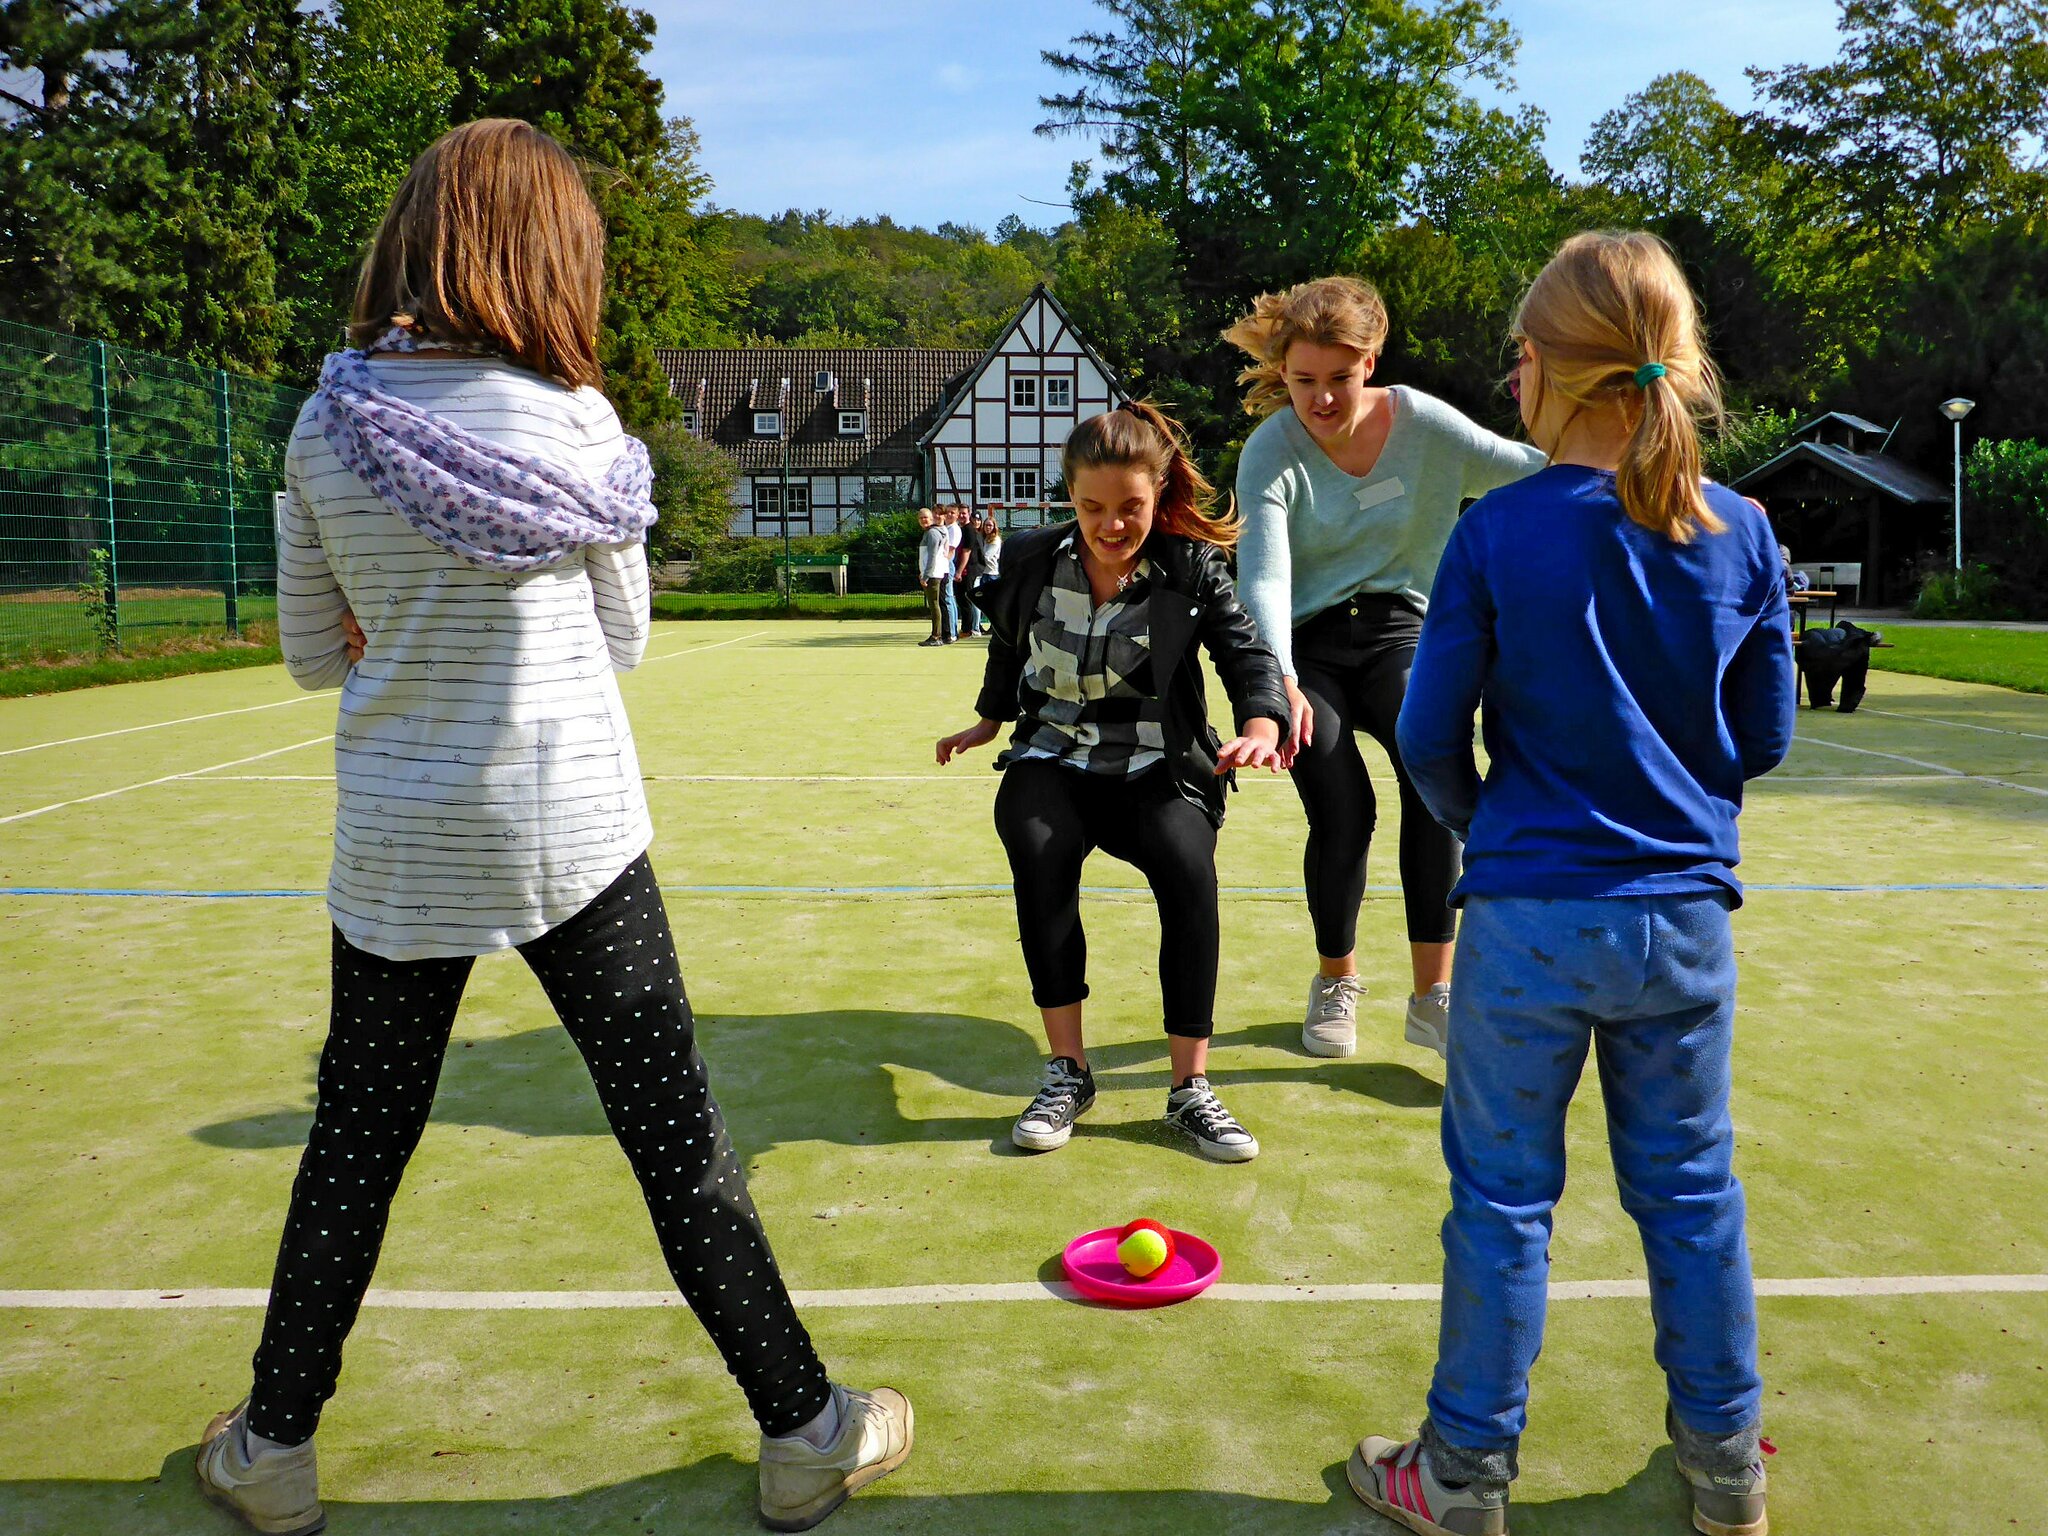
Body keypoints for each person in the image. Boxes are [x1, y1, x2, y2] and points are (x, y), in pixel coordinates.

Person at [197, 120, 911, 1536]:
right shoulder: (586, 430)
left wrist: (391, 612)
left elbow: (307, 656)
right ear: (552, 253)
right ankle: (804, 1431)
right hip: (576, 830)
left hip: (403, 842)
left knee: (357, 1138)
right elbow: (625, 638)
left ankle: (273, 1448)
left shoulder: (328, 423)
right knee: (676, 1138)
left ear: (415, 234)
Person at [1344, 230, 1793, 1536]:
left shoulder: (1496, 533)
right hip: (1682, 926)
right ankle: (1728, 1478)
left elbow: (1429, 739)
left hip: (1529, 923)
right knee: (1694, 1201)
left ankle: (1463, 1481)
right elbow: (1762, 736)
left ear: (1537, 370)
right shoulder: (1744, 533)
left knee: (1500, 1203)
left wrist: (1492, 832)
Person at [935, 401, 1290, 1161]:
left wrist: (1261, 722)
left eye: (1130, 507)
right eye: (1092, 506)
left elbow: (1246, 653)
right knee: (1036, 844)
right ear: (1069, 497)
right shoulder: (1032, 557)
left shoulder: (1190, 566)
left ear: (1158, 495)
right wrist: (990, 721)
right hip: (1053, 755)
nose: (1111, 524)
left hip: (1155, 763)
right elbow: (1008, 643)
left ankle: (1190, 1088)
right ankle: (1068, 1071)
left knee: (1188, 870)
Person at [1226, 277, 1546, 1063]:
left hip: (1405, 630)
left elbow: (1535, 469)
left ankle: (1433, 998)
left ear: (1370, 362)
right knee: (1342, 805)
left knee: (1432, 774)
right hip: (1307, 648)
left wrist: (1660, 477)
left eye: (1339, 378)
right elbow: (1262, 576)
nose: (1322, 399)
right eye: (1304, 381)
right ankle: (1337, 980)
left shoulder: (1427, 425)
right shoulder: (1270, 449)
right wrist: (1282, 680)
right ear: (1284, 375)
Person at [916, 506, 954, 646]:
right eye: (921, 518)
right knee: (937, 604)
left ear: (931, 518)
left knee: (934, 605)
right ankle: (943, 635)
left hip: (933, 574)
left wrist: (925, 576)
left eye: (926, 517)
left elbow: (932, 556)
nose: (923, 520)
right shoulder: (935, 532)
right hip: (936, 572)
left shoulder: (932, 533)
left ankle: (936, 636)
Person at [956, 508, 991, 637]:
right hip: (973, 570)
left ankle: (973, 628)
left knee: (970, 599)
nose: (976, 521)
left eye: (978, 519)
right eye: (974, 519)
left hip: (973, 570)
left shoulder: (972, 532)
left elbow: (973, 552)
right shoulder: (971, 531)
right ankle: (974, 626)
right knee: (968, 599)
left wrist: (979, 568)